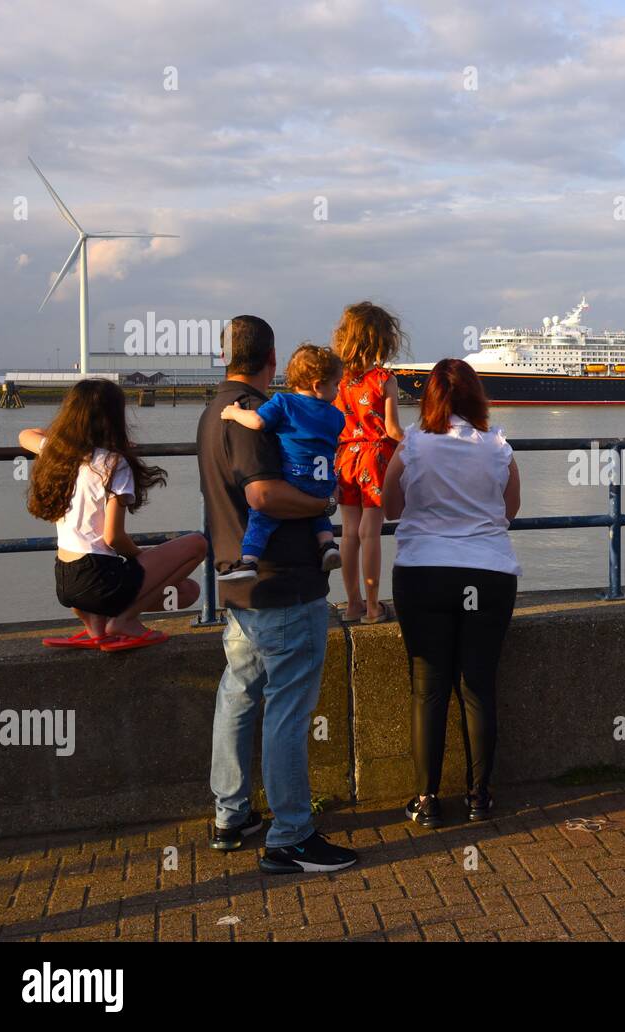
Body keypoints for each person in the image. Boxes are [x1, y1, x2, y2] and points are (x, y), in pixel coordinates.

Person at [197, 315, 358, 873]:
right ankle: (290, 836)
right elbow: (264, 494)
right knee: (289, 711)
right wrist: (322, 506)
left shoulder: (214, 410)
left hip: (237, 581)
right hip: (283, 581)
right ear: (270, 362)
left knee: (238, 695)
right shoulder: (253, 420)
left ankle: (232, 813)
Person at [383, 358, 520, 828]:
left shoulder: (413, 444)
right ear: (477, 397)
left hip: (424, 572)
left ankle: (426, 799)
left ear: (430, 399)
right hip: (488, 573)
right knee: (478, 685)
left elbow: (389, 506)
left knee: (429, 687)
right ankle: (480, 797)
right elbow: (510, 510)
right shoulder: (499, 445)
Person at [20, 379, 207, 652]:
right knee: (197, 544)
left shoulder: (57, 452)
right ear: (114, 417)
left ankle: (97, 627)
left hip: (67, 582)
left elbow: (25, 435)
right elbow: (114, 536)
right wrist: (141, 555)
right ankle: (125, 621)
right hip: (99, 578)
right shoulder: (113, 463)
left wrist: (64, 436)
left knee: (186, 591)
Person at [217, 343, 345, 581]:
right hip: (325, 480)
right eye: (336, 384)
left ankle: (249, 561)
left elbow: (257, 421)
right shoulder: (337, 416)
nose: (338, 391)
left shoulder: (284, 403)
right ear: (318, 386)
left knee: (261, 518)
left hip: (295, 475)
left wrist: (234, 413)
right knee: (318, 512)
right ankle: (328, 545)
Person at [332, 302, 407, 624]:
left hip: (345, 456)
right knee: (370, 533)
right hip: (376, 458)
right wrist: (418, 442)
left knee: (349, 532)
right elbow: (391, 430)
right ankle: (374, 607)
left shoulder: (336, 378)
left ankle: (352, 605)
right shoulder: (383, 378)